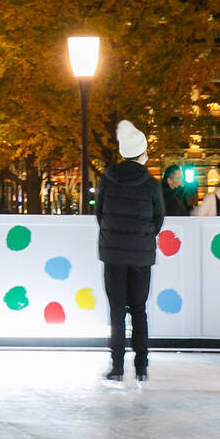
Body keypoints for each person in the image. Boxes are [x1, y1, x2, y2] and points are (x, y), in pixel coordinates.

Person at [97, 120, 166, 389]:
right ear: (142, 152)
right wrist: (145, 236)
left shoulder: (107, 178)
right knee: (138, 309)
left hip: (113, 253)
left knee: (116, 311)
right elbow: (159, 218)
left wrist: (113, 235)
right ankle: (141, 367)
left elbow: (100, 214)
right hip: (140, 255)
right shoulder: (150, 184)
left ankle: (116, 367)